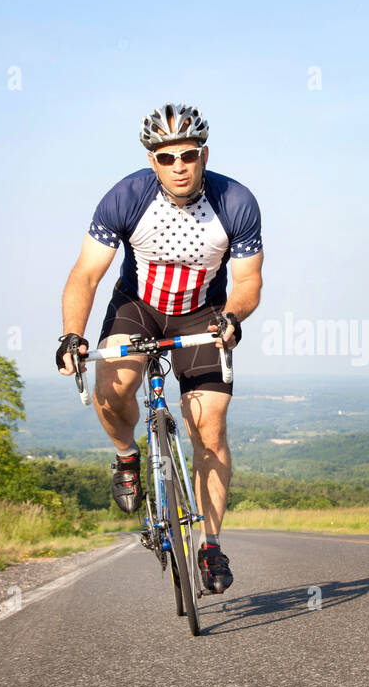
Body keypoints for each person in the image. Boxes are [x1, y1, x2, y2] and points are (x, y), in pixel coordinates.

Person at [56, 103, 263, 593]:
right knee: (114, 385)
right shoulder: (125, 197)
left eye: (188, 155)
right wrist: (72, 334)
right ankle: (127, 455)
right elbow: (86, 273)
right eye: (165, 157)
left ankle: (210, 545)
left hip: (202, 313)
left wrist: (233, 317)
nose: (178, 167)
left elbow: (249, 281)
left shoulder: (236, 201)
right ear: (152, 161)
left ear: (203, 155)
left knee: (209, 428)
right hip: (138, 306)